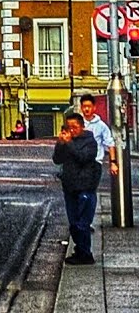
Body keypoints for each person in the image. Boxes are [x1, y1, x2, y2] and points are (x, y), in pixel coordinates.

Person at [53, 112, 101, 265]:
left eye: (75, 127)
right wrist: (60, 144)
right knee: (73, 223)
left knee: (83, 223)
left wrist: (69, 144)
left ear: (82, 126)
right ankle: (80, 251)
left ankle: (86, 254)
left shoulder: (90, 141)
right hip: (70, 187)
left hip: (85, 187)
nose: (72, 130)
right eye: (69, 127)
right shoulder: (67, 141)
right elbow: (57, 159)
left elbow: (83, 158)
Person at [78, 94, 120, 180]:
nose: (86, 109)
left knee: (89, 190)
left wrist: (113, 162)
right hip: (78, 163)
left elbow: (110, 143)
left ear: (94, 107)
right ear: (81, 108)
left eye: (89, 106)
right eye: (84, 106)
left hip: (95, 163)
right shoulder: (77, 123)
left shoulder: (101, 125)